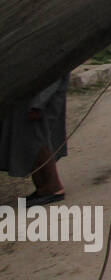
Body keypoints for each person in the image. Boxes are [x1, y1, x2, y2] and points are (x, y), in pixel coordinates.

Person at [0, 74, 70, 205]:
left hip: (36, 103)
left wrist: (38, 104)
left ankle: (53, 188)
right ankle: (43, 188)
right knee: (31, 143)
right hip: (28, 101)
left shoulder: (51, 53)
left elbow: (53, 74)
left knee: (37, 143)